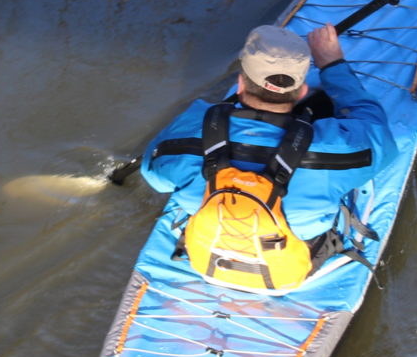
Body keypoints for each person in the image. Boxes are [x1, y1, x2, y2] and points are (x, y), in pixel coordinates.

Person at [140, 23, 395, 291]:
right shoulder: (333, 144)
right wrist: (333, 65)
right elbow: (379, 134)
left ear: (240, 84)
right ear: (302, 92)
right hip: (293, 263)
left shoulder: (189, 126)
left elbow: (154, 176)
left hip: (206, 254)